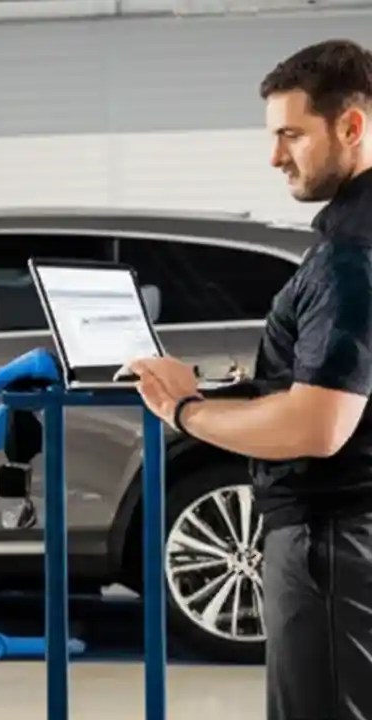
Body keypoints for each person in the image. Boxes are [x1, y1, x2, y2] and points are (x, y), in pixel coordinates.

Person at [127, 39, 372, 720]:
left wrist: (183, 409)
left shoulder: (348, 261)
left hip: (331, 543)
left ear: (351, 127)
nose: (275, 156)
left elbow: (316, 428)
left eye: (291, 134)